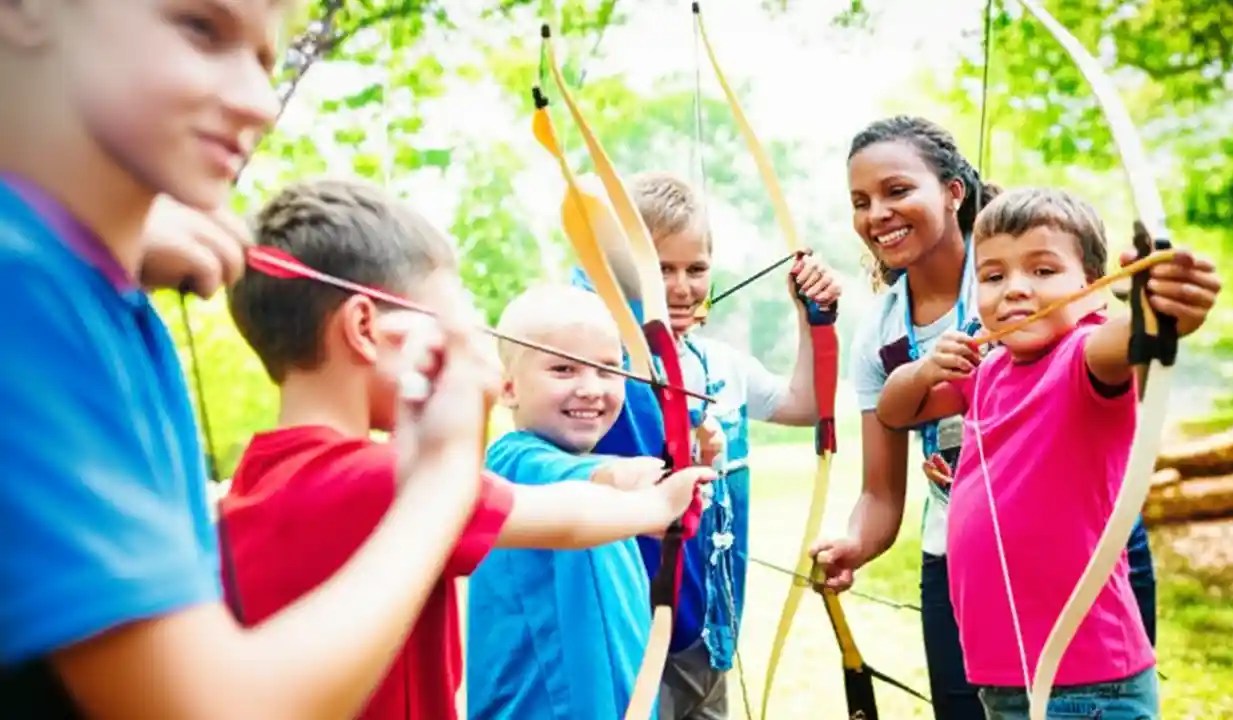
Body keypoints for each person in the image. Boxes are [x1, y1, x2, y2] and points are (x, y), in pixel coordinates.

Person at [0, 1, 495, 715]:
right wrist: (442, 478)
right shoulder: (28, 295)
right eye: (201, 28)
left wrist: (116, 242)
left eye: (267, 59)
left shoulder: (85, 293)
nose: (259, 102)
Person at [221, 181, 714, 720]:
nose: (460, 346)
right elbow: (564, 514)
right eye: (442, 325)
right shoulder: (380, 481)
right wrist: (659, 506)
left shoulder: (248, 486)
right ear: (365, 328)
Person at [808, 115, 1159, 719]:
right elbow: (882, 481)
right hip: (969, 582)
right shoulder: (887, 332)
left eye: (898, 190)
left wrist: (1158, 306)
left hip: (1082, 562)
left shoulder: (1028, 285)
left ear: (953, 192)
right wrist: (854, 544)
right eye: (861, 202)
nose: (878, 214)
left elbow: (1120, 343)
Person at [874, 187, 1220, 718]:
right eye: (993, 277)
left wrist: (1161, 310)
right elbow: (896, 411)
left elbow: (1134, 339)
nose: (1014, 290)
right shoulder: (988, 368)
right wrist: (923, 369)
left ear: (1093, 288)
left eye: (1042, 271)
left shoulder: (1083, 356)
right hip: (1004, 677)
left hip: (1086, 685)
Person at [576, 171, 843, 720]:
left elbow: (803, 401)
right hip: (638, 617)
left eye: (695, 269)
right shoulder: (609, 360)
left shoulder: (720, 362)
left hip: (711, 615)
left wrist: (809, 316)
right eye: (658, 269)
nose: (680, 287)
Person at [465, 283, 714, 719]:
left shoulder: (594, 480)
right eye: (563, 369)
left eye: (608, 369)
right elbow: (600, 480)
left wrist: (689, 467)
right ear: (508, 388)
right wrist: (648, 483)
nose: (590, 388)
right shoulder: (513, 461)